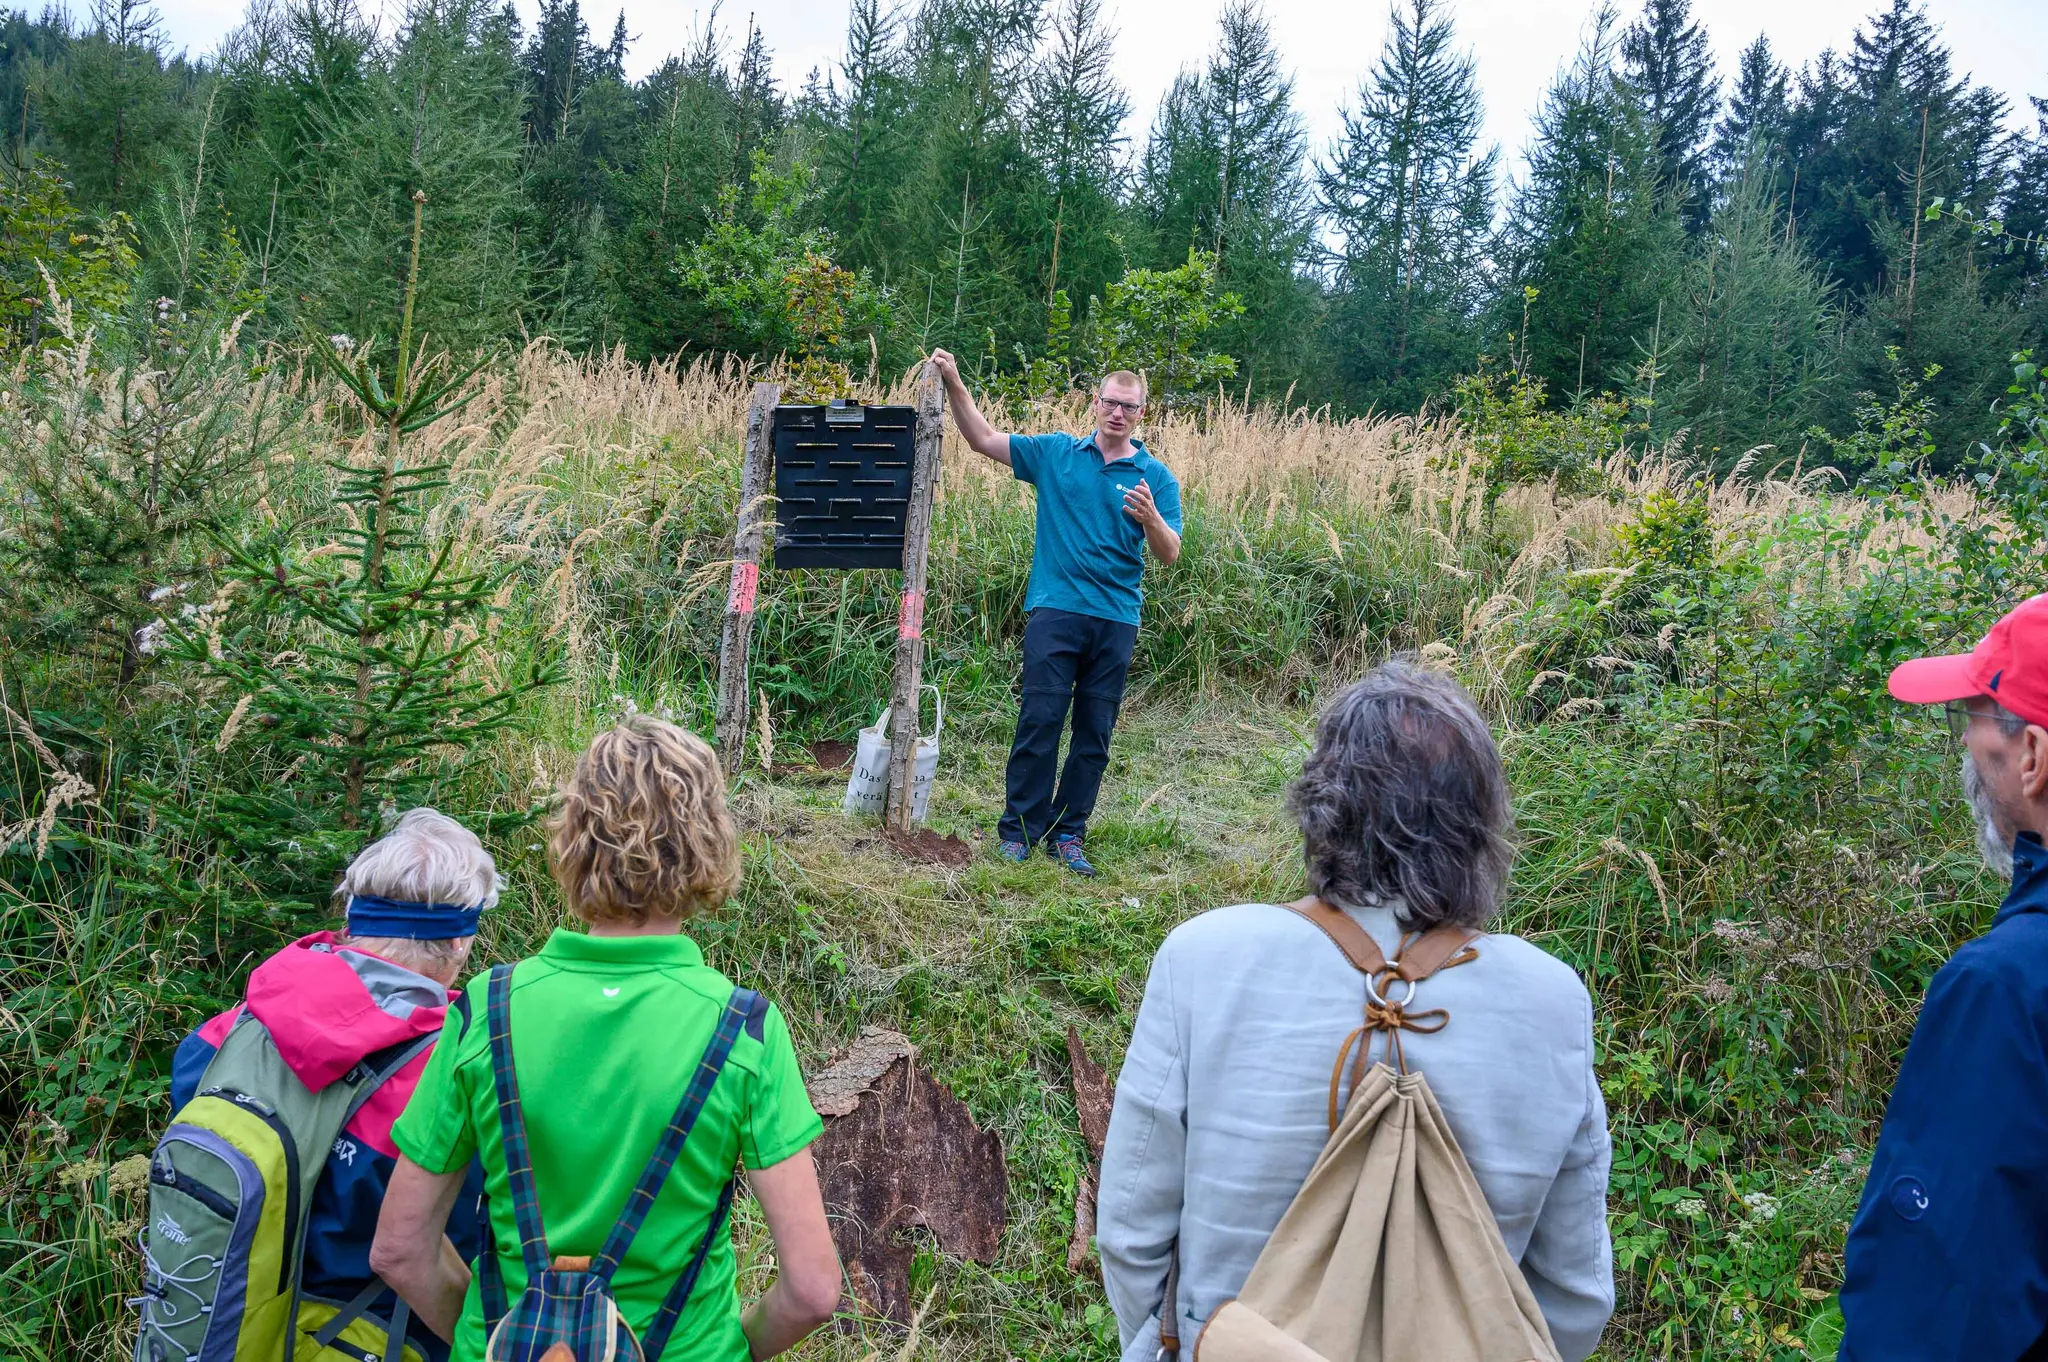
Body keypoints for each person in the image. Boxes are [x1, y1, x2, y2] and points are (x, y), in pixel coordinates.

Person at [1096, 658, 1615, 1362]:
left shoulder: (1205, 958)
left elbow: (1129, 1231)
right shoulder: (1554, 999)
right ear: (1480, 821)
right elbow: (1576, 1296)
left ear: (1321, 805)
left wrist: (1180, 1342)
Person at [370, 715, 841, 1360]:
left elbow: (399, 1246)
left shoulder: (486, 1011)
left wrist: (491, 1340)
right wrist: (730, 1348)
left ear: (574, 841)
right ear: (708, 843)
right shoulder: (745, 1033)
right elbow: (814, 1290)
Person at [168, 807, 494, 1362]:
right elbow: (448, 1241)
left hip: (212, 1329)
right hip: (377, 1340)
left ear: (353, 916)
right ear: (460, 942)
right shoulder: (451, 1076)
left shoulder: (223, 1037)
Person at [1839, 593, 2048, 1360]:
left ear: (2033, 758)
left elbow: (1935, 1303)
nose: (1966, 739)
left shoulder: (2006, 988)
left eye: (1980, 711)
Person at [928, 349, 1183, 877]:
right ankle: (1020, 830)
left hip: (1116, 617)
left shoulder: (1155, 477)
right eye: (1111, 403)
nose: (1119, 413)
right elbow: (982, 438)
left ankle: (1068, 834)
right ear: (1095, 403)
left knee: (1094, 733)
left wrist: (1154, 520)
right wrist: (954, 379)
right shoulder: (1055, 454)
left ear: (1142, 414)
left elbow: (1171, 552)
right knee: (1039, 721)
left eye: (1129, 407)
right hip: (1055, 610)